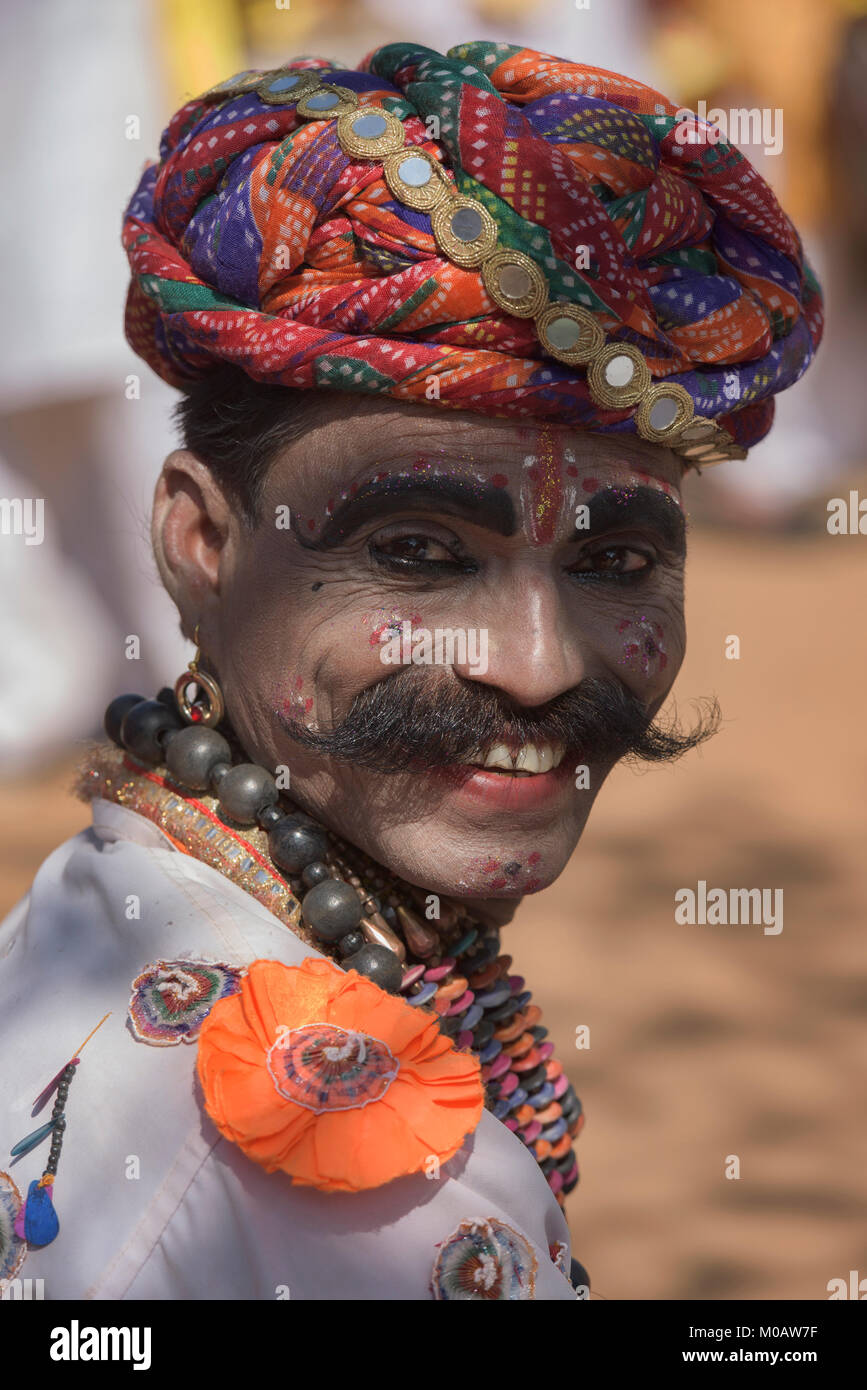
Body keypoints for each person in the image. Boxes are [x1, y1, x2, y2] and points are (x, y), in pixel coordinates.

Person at [0, 40, 822, 1301]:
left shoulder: (95, 919)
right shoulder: (309, 1174)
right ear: (200, 540)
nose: (540, 672)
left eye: (615, 562)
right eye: (422, 552)